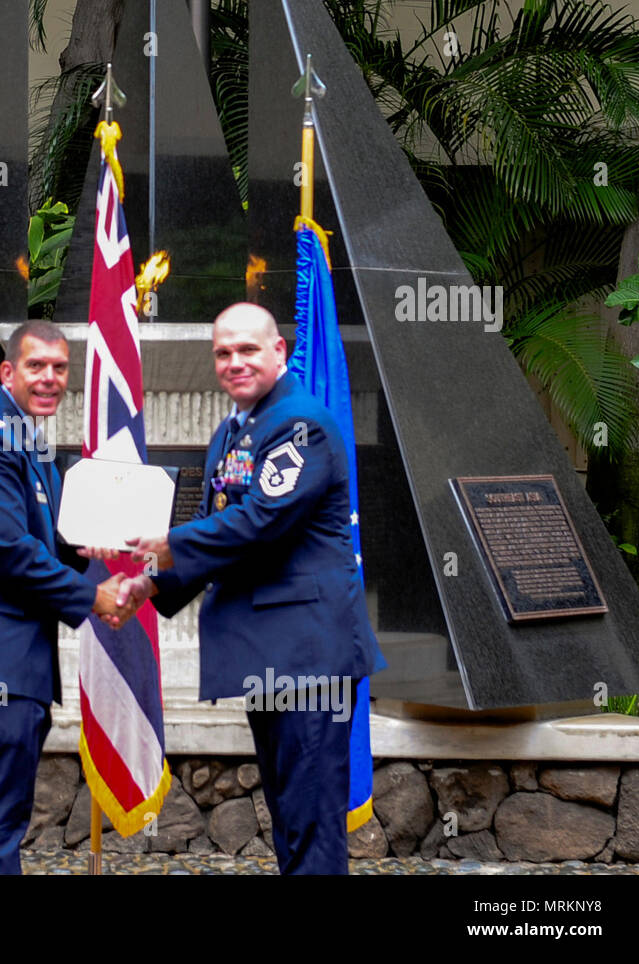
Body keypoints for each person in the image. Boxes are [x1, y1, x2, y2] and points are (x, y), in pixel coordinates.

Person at [117, 302, 384, 875]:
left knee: (312, 820)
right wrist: (151, 584)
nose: (234, 362)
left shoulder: (298, 423)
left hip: (309, 658)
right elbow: (229, 536)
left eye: (248, 350)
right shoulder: (236, 429)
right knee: (290, 814)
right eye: (223, 353)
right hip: (274, 654)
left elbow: (260, 520)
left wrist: (168, 542)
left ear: (279, 351)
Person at [0, 320, 129, 875]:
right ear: (8, 371)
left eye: (60, 368)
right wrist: (92, 598)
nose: (50, 378)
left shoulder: (23, 436)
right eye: (36, 366)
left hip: (2, 660)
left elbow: (41, 540)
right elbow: (9, 553)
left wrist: (83, 551)